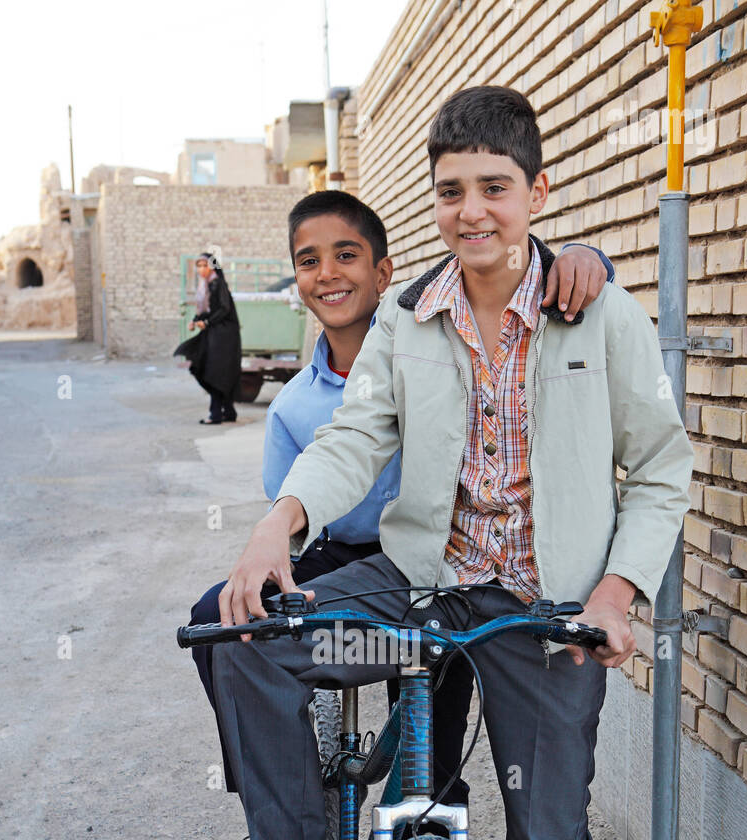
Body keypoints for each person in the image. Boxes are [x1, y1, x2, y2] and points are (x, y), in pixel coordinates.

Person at [167, 86, 693, 840]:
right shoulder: (409, 318)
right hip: (419, 587)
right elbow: (356, 438)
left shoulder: (601, 311)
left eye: (494, 188)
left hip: (547, 617)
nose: (471, 211)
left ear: (536, 193)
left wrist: (615, 595)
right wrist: (279, 523)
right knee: (239, 631)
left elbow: (659, 470)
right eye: (450, 190)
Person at [189, 190, 614, 802]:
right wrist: (269, 542)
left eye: (346, 256)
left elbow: (506, 266)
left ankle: (431, 814)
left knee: (430, 695)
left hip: (435, 555)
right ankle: (283, 791)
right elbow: (304, 504)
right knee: (224, 619)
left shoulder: (430, 336)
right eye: (309, 262)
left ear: (383, 273)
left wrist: (584, 254)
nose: (329, 274)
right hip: (347, 558)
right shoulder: (293, 406)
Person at [174, 246, 241, 423]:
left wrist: (207, 322)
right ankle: (228, 412)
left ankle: (216, 415)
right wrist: (195, 320)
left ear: (212, 267)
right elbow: (207, 309)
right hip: (215, 332)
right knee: (216, 371)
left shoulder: (217, 283)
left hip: (224, 334)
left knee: (214, 372)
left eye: (204, 265)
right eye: (198, 266)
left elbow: (224, 309)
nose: (201, 269)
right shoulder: (205, 285)